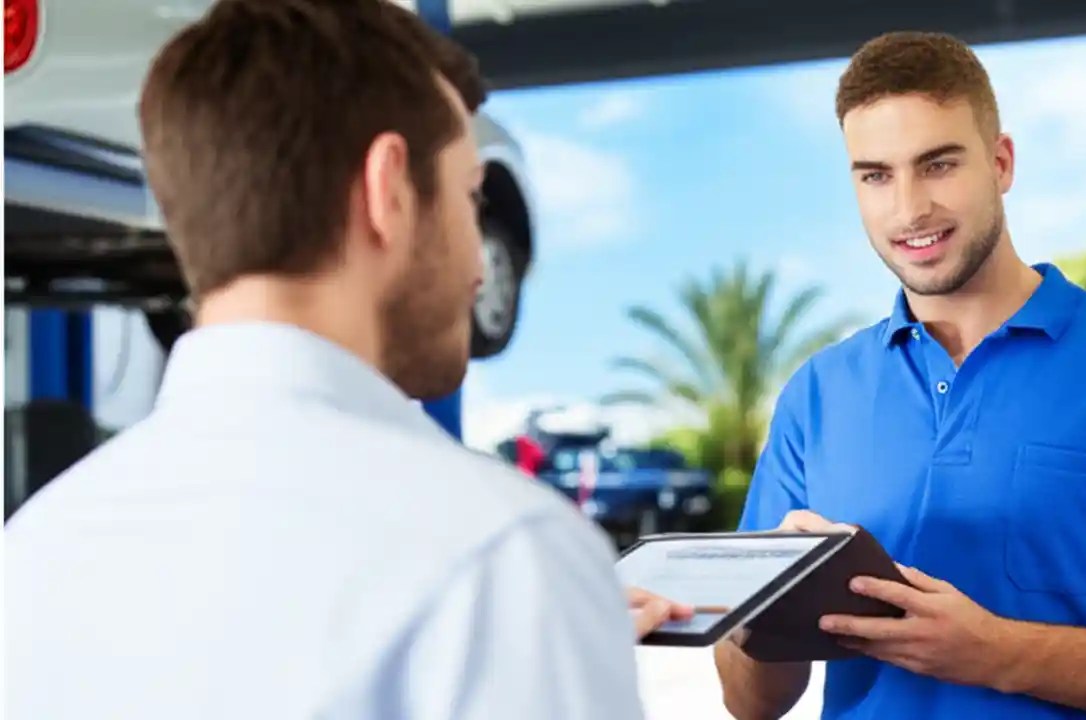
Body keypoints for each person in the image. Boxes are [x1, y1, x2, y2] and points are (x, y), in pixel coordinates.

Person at [5, 1, 686, 718]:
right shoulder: (502, 559)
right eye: (468, 197)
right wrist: (545, 625)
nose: (480, 268)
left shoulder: (32, 555)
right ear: (388, 189)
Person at [714, 30, 1086, 720]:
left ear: (1001, 162)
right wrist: (760, 603)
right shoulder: (818, 394)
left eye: (939, 164)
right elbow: (752, 704)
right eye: (876, 175)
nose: (909, 208)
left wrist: (995, 653)